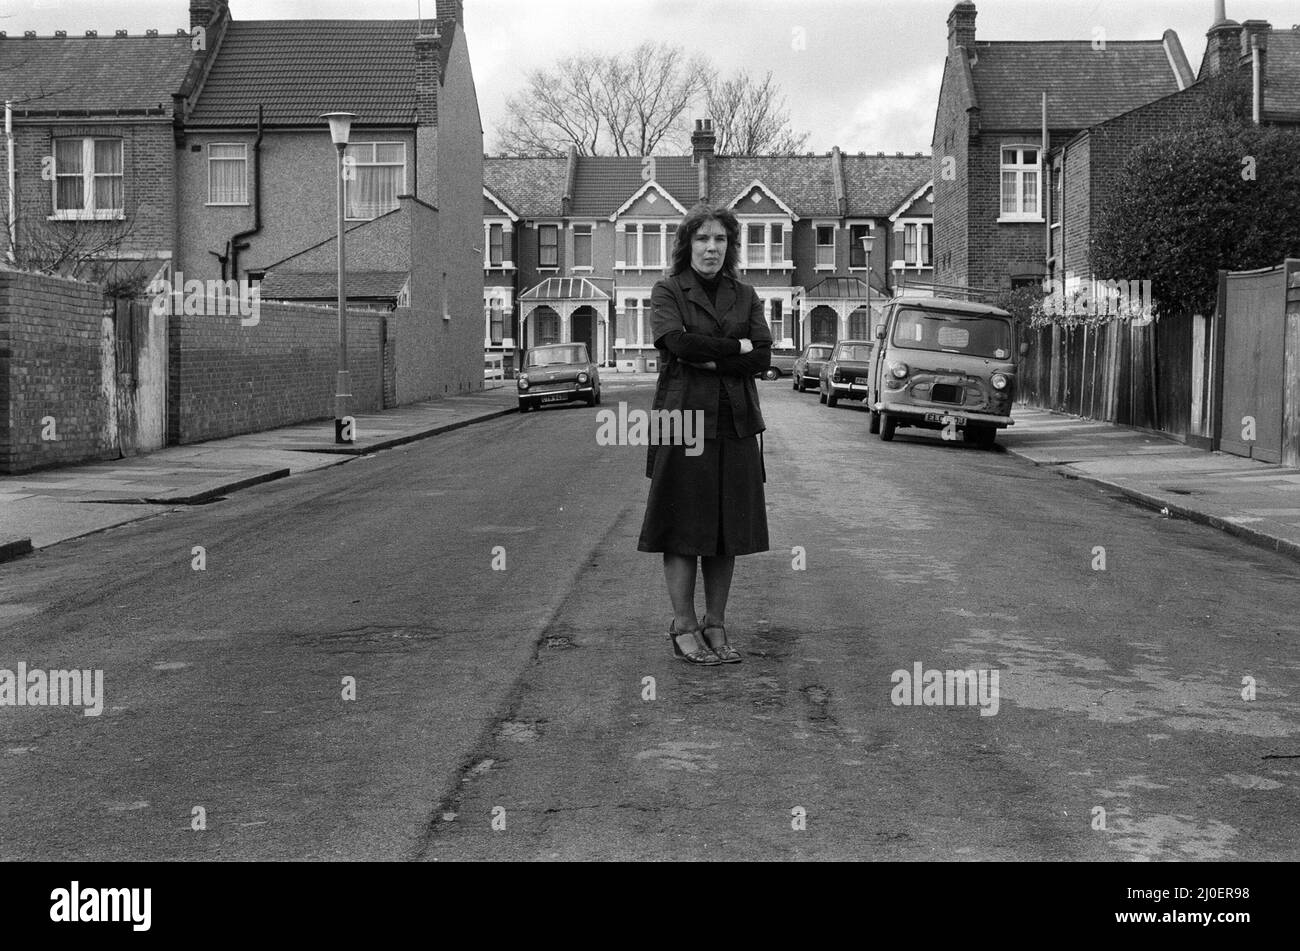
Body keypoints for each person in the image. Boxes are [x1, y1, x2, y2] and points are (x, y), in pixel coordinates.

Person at [636, 204, 772, 666]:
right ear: (686, 245)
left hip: (735, 422)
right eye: (702, 239)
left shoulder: (746, 294)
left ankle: (716, 623)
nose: (712, 247)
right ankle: (684, 623)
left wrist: (713, 356)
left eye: (720, 239)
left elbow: (763, 357)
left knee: (726, 528)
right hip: (683, 421)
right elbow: (678, 343)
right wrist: (737, 346)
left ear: (730, 246)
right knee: (681, 527)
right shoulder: (667, 291)